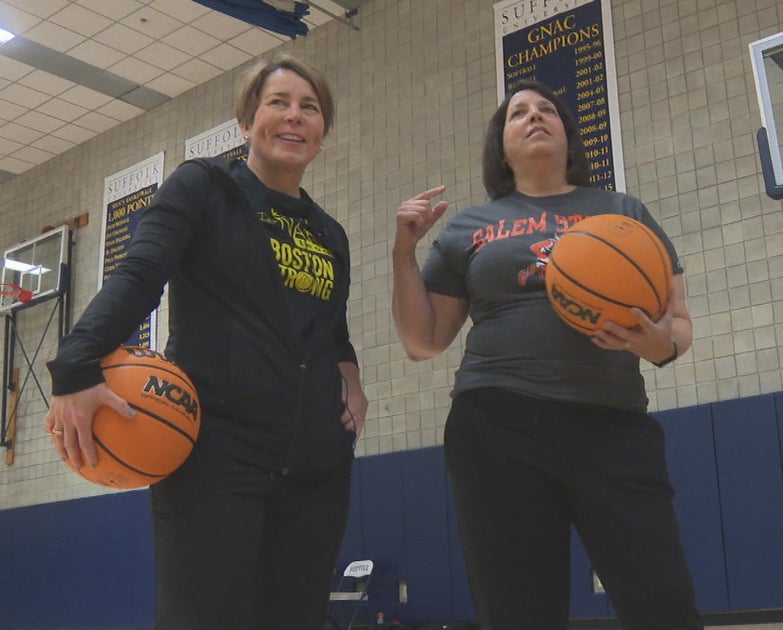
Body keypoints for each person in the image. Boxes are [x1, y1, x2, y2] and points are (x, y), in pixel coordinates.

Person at [44, 53, 368, 630]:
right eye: (278, 103)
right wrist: (75, 366)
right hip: (218, 456)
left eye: (309, 108)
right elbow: (139, 274)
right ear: (247, 124)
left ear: (321, 135)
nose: (294, 116)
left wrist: (352, 372)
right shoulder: (204, 186)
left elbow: (328, 324)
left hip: (317, 469)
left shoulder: (330, 233)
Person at [391, 79, 703, 629]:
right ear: (501, 146)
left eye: (546, 111)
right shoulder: (468, 227)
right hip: (496, 424)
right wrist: (403, 252)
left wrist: (655, 344)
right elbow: (424, 342)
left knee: (663, 603)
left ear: (566, 134)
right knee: (518, 613)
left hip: (611, 422)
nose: (534, 117)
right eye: (518, 113)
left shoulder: (621, 211)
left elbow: (678, 325)